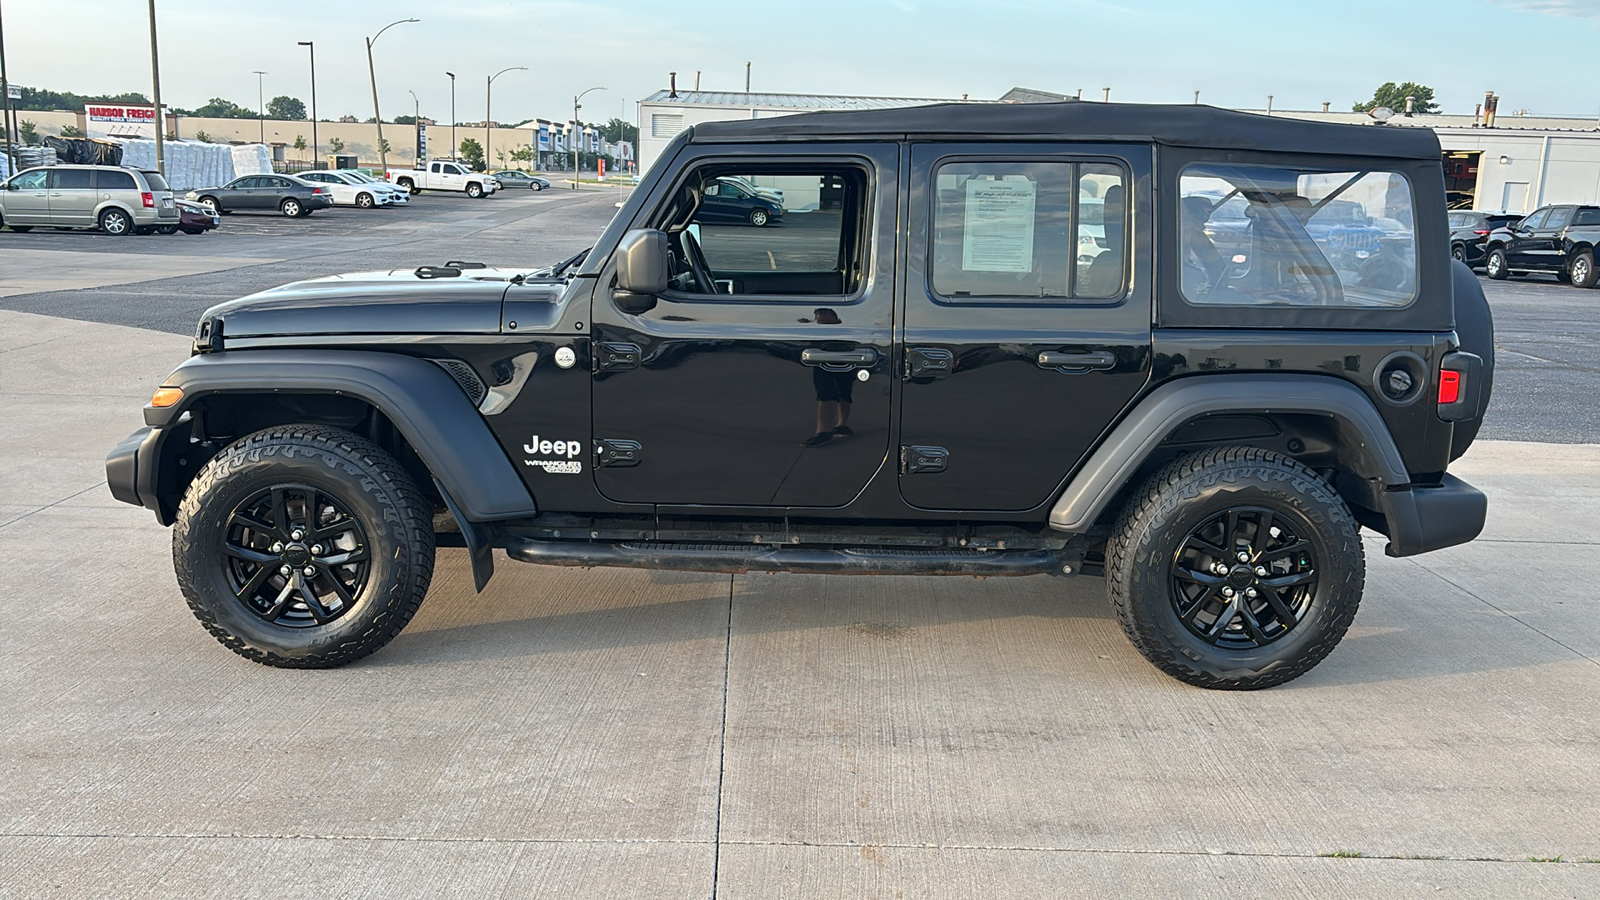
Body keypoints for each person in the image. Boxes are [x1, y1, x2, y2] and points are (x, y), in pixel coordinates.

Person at [803, 308, 854, 447]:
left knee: (842, 395)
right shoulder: (815, 328)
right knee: (826, 396)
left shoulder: (843, 328)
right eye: (817, 315)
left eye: (821, 314)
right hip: (826, 364)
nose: (818, 317)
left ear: (831, 315)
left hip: (840, 363)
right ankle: (827, 430)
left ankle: (834, 428)